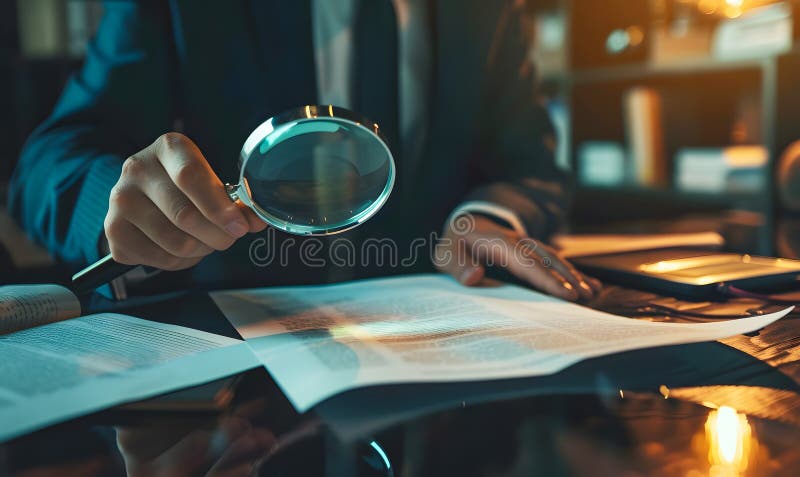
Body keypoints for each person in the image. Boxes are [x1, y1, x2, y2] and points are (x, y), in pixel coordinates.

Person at [9, 0, 599, 301]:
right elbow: (46, 161)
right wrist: (117, 201)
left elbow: (529, 163)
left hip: (449, 381)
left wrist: (485, 218)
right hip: (238, 373)